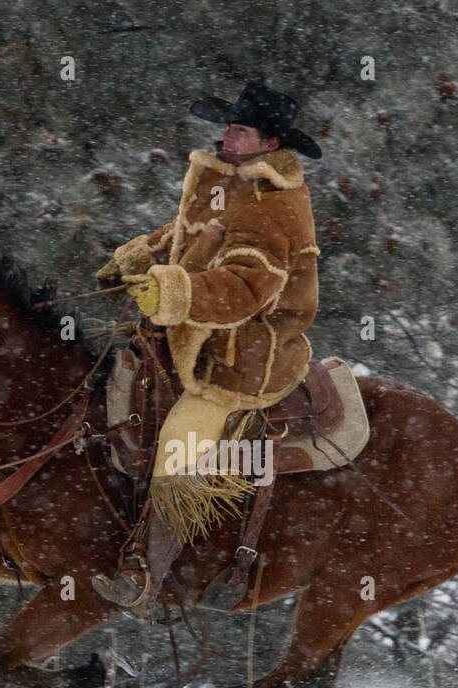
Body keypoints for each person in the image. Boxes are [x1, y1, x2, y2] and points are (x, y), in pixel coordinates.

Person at [91, 81, 323, 613]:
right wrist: (136, 258)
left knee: (177, 443)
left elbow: (246, 287)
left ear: (269, 146)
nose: (226, 136)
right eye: (227, 126)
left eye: (239, 130)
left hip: (243, 356)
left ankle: (143, 578)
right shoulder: (230, 184)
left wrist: (173, 291)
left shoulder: (274, 204)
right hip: (191, 333)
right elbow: (187, 236)